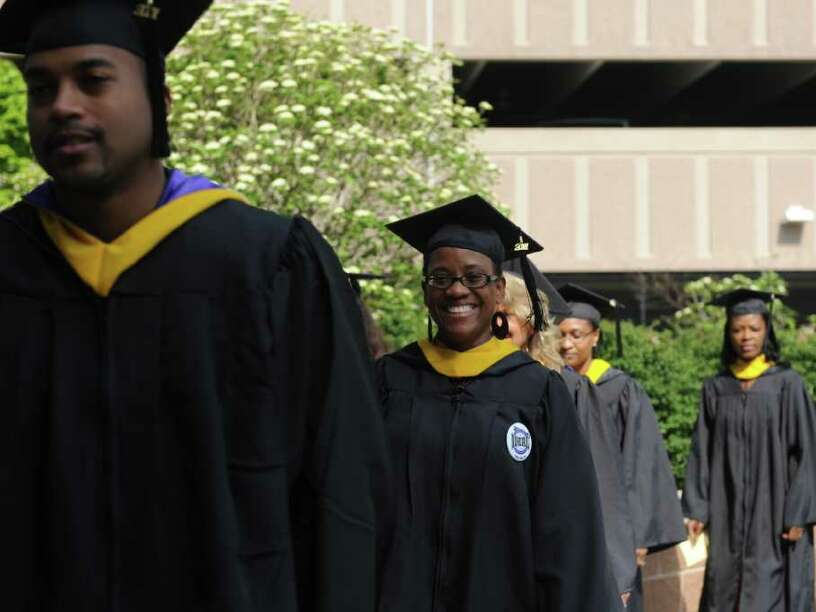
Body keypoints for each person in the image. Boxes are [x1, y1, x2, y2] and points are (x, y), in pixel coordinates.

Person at [0, 1, 392, 610]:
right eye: (42, 87)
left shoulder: (266, 263)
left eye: (94, 79)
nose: (64, 105)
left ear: (162, 100)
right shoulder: (10, 263)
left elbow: (341, 496)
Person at [377, 194, 610, 611]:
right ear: (425, 289)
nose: (456, 290)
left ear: (499, 289)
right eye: (440, 277)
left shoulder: (537, 391)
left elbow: (568, 531)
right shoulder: (388, 381)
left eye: (474, 277)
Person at [683, 289, 816, 611]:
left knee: (770, 587)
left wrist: (799, 513)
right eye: (737, 330)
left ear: (766, 330)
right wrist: (697, 507)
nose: (744, 337)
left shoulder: (787, 384)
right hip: (727, 508)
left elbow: (805, 452)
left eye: (753, 329)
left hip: (774, 511)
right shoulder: (716, 388)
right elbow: (702, 449)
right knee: (724, 584)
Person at [502, 270, 637, 611]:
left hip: (552, 558)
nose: (494, 326)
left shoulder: (567, 388)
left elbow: (602, 484)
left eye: (504, 316)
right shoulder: (462, 389)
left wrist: (618, 571)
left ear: (529, 325)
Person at [557, 283, 685, 611]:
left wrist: (638, 535)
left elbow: (640, 463)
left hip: (613, 524)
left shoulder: (619, 389)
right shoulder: (552, 387)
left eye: (576, 334)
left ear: (596, 337)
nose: (567, 344)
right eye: (560, 335)